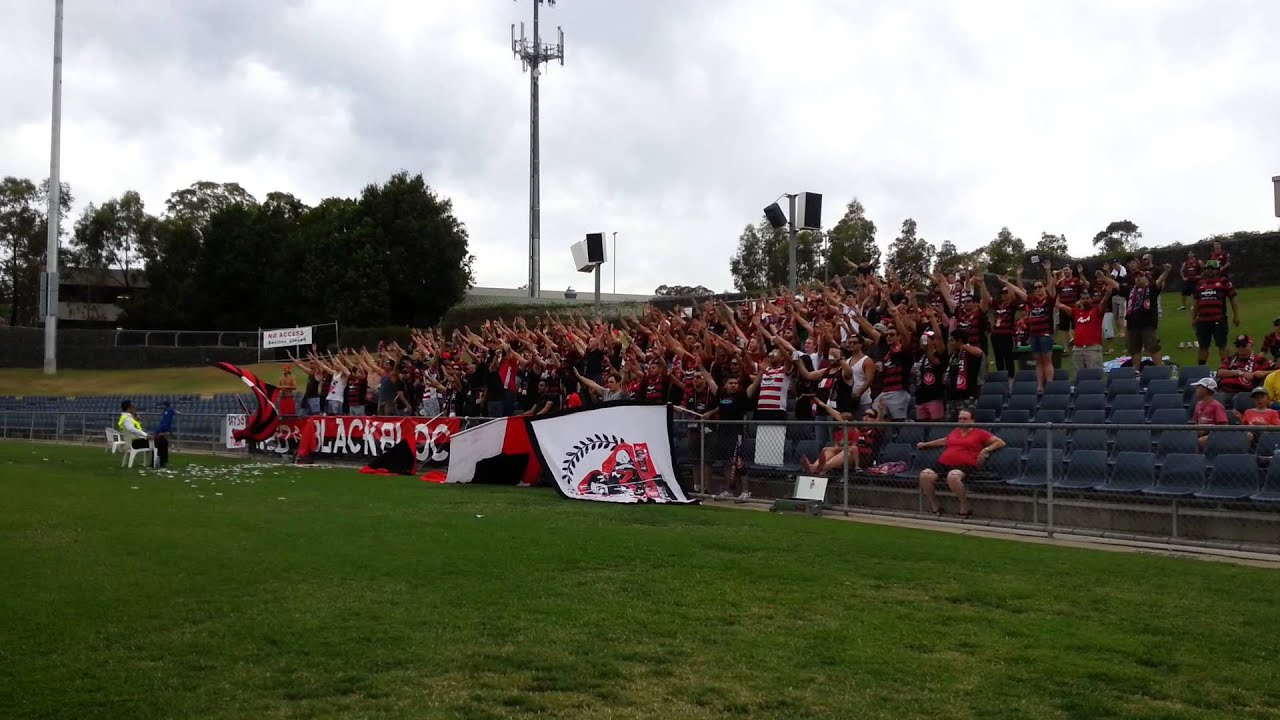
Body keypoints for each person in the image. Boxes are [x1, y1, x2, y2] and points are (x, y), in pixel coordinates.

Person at [915, 408, 1007, 518]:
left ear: (972, 420)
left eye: (965, 419)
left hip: (966, 465)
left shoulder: (980, 433)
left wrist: (985, 450)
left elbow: (1000, 442)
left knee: (953, 476)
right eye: (960, 419)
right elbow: (944, 441)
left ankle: (965, 505)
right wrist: (925, 444)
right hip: (945, 463)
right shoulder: (955, 431)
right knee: (925, 475)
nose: (962, 421)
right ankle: (935, 504)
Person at [1001, 260, 1056, 393]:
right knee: (1038, 361)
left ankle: (1050, 385)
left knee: (1047, 360)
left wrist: (1048, 271)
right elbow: (1019, 292)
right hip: (1034, 335)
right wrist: (1006, 283)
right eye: (1035, 287)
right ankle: (1040, 386)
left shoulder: (1049, 300)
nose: (1037, 289)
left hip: (1045, 334)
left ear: (1044, 288)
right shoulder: (1032, 300)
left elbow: (1052, 288)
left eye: (1040, 287)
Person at [1059, 272, 1116, 371]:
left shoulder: (1097, 311)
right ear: (1080, 301)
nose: (1085, 300)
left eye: (1087, 298)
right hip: (1078, 349)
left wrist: (1108, 293)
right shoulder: (1076, 312)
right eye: (1083, 299)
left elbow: (1104, 301)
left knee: (1095, 377)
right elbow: (1059, 305)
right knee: (1079, 377)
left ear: (1091, 300)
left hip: (1092, 348)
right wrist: (1057, 283)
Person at [1191, 259, 1240, 365]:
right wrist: (1194, 318)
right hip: (1202, 321)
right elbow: (1196, 303)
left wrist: (1236, 316)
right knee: (1203, 347)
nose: (1210, 271)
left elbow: (1233, 299)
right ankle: (1202, 371)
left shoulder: (1224, 282)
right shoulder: (1200, 283)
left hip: (1219, 320)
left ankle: (1226, 369)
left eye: (1213, 269)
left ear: (1218, 270)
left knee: (1222, 346)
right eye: (1208, 269)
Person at [1124, 263, 1172, 366]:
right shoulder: (1130, 290)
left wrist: (1166, 272)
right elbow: (1116, 285)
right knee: (1134, 349)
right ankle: (1136, 371)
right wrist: (1104, 277)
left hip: (1148, 324)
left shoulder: (1152, 288)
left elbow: (1160, 281)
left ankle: (1160, 369)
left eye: (1140, 276)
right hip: (1133, 325)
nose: (1137, 279)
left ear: (1147, 278)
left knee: (1153, 347)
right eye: (1136, 277)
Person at [1217, 335, 1272, 404]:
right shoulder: (1231, 359)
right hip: (1224, 391)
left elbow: (1276, 371)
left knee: (1239, 400)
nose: (1240, 348)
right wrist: (1240, 373)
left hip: (1243, 393)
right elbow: (1220, 372)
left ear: (1250, 345)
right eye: (1238, 345)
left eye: (1243, 345)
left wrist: (1263, 373)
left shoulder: (1260, 360)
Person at [118, 400, 170, 468]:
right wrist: (146, 435)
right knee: (161, 441)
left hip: (136, 440)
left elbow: (136, 429)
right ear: (129, 408)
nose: (135, 408)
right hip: (135, 442)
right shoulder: (127, 418)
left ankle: (161, 462)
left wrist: (137, 420)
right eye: (133, 406)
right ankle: (156, 463)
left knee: (161, 440)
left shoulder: (128, 417)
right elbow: (131, 429)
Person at [1190, 378, 1228, 452]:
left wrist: (1207, 429)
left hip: (1214, 435)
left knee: (1200, 441)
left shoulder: (1217, 406)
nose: (1196, 389)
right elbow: (1195, 422)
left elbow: (1224, 426)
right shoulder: (1198, 404)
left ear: (1205, 389)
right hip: (1199, 433)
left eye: (1198, 387)